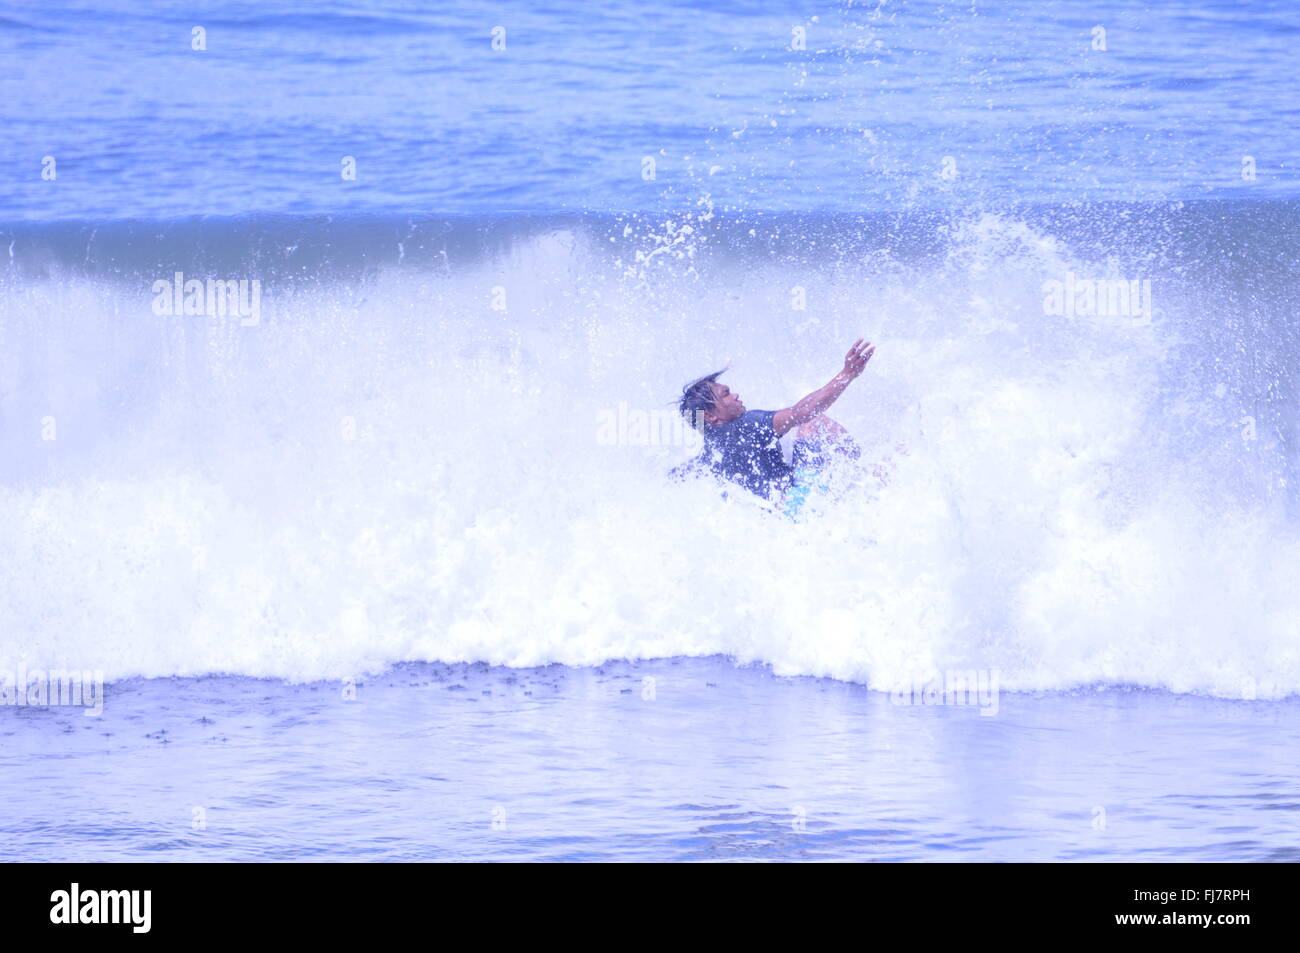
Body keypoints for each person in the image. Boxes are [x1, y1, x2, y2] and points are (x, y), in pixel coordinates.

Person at [673, 339, 875, 515]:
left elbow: (680, 477)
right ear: (710, 416)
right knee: (813, 422)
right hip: (804, 506)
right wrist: (847, 374)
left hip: (777, 523)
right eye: (726, 394)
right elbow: (803, 412)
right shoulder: (746, 426)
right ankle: (868, 472)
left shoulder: (710, 454)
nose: (735, 395)